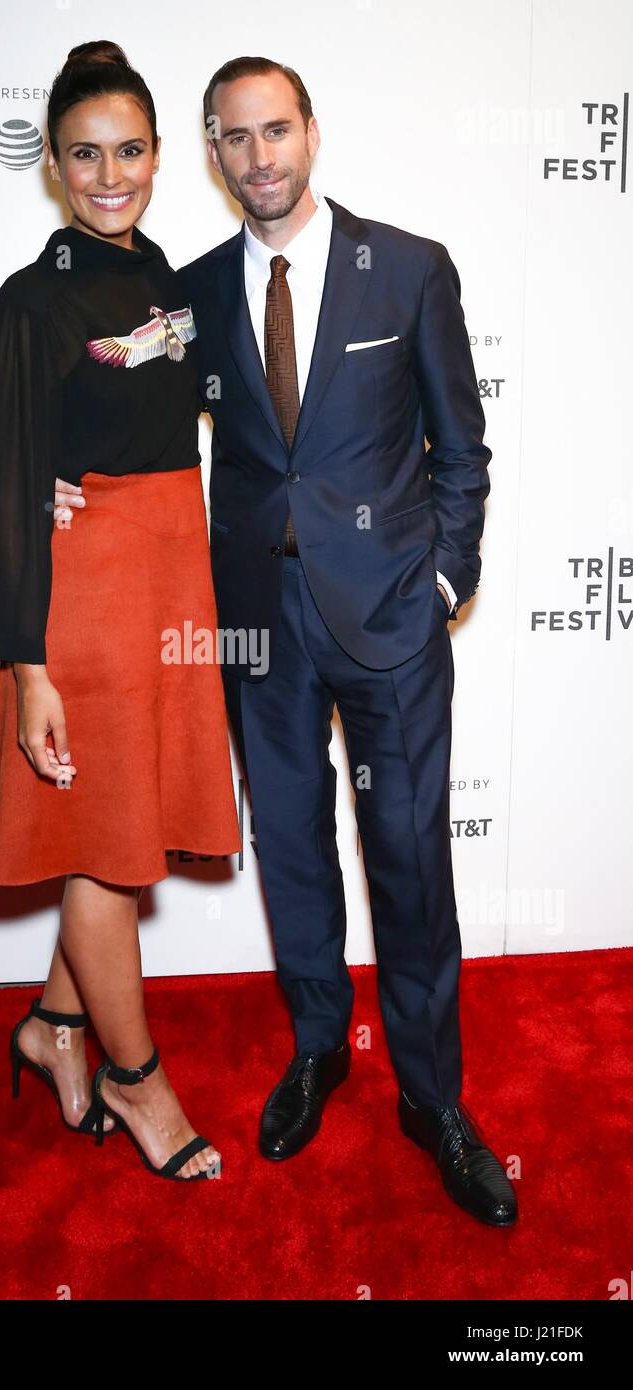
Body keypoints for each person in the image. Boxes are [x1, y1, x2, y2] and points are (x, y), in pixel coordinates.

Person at [54, 56, 517, 1226]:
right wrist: (54, 477)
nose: (258, 157)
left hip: (391, 623)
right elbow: (119, 399)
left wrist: (445, 577)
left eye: (276, 131)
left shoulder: (406, 269)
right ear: (210, 153)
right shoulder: (197, 292)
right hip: (256, 621)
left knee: (411, 860)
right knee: (296, 850)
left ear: (311, 131)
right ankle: (320, 1047)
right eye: (233, 138)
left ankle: (433, 1099)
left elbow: (461, 448)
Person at [0, 40, 241, 1182]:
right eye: (85, 153)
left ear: (157, 155)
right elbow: (9, 481)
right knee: (102, 856)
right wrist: (25, 664)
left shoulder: (168, 276)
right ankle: (139, 1086)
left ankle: (54, 1028)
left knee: (118, 837)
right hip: (81, 600)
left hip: (171, 580)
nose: (110, 173)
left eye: (129, 150)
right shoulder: (30, 301)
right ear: (54, 163)